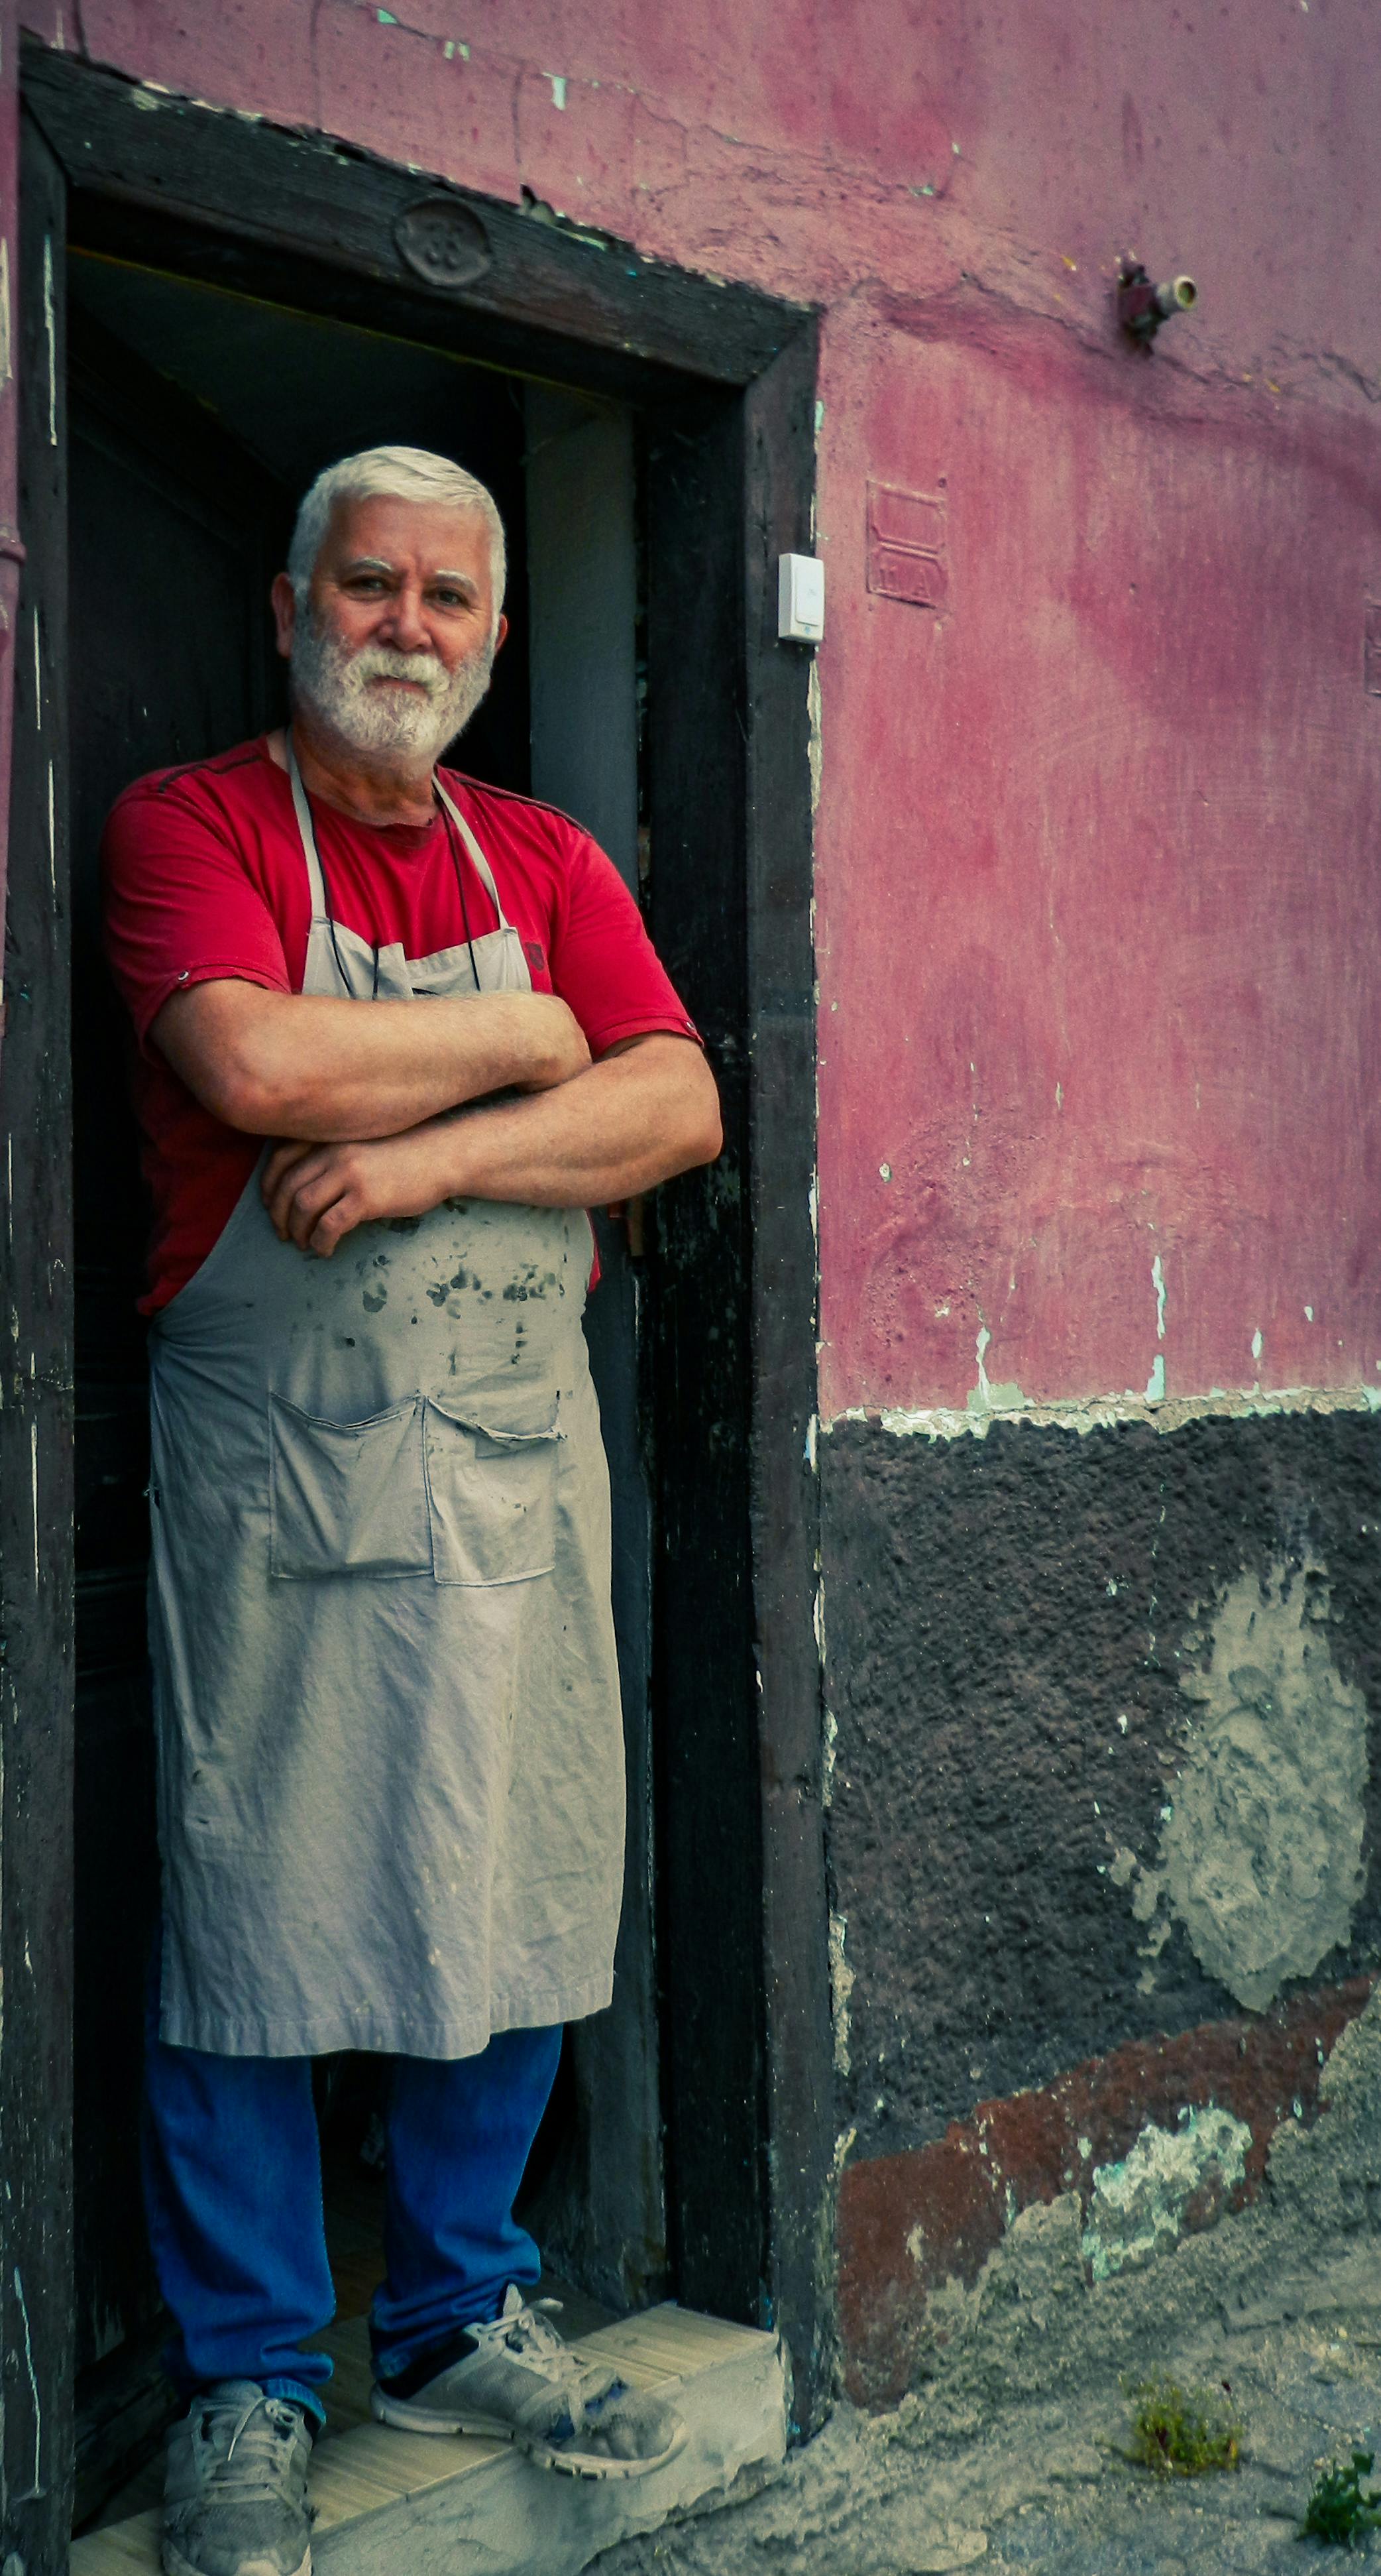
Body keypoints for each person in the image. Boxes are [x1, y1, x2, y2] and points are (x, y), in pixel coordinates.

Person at [101, 443, 723, 2576]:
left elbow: (676, 1102)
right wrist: (532, 1037)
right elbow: (256, 1072)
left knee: (526, 1863)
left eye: (447, 601)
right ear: (286, 609)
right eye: (366, 590)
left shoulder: (543, 848)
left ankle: (461, 2312)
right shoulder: (186, 828)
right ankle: (255, 2375)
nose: (406, 631)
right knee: (251, 1907)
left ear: (492, 635)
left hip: (515, 1467)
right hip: (284, 1470)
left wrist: (443, 1155)